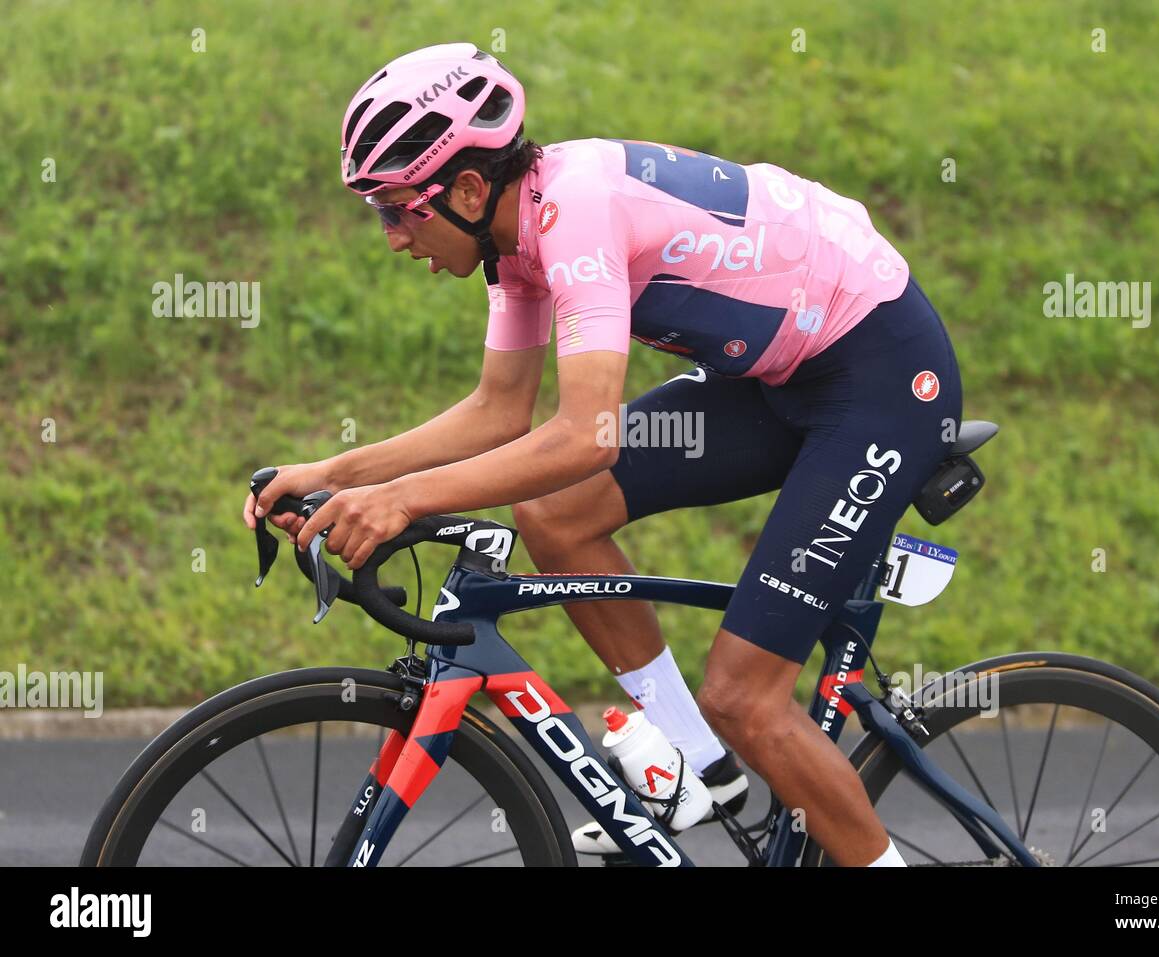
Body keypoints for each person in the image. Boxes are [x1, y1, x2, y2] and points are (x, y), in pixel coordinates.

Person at [243, 42, 961, 867]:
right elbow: (497, 411)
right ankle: (701, 765)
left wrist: (403, 499)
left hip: (880, 376)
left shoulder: (572, 214)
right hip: (783, 374)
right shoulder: (511, 243)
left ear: (469, 189)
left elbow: (589, 432)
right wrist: (335, 473)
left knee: (747, 695)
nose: (392, 235)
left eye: (399, 209)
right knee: (556, 514)